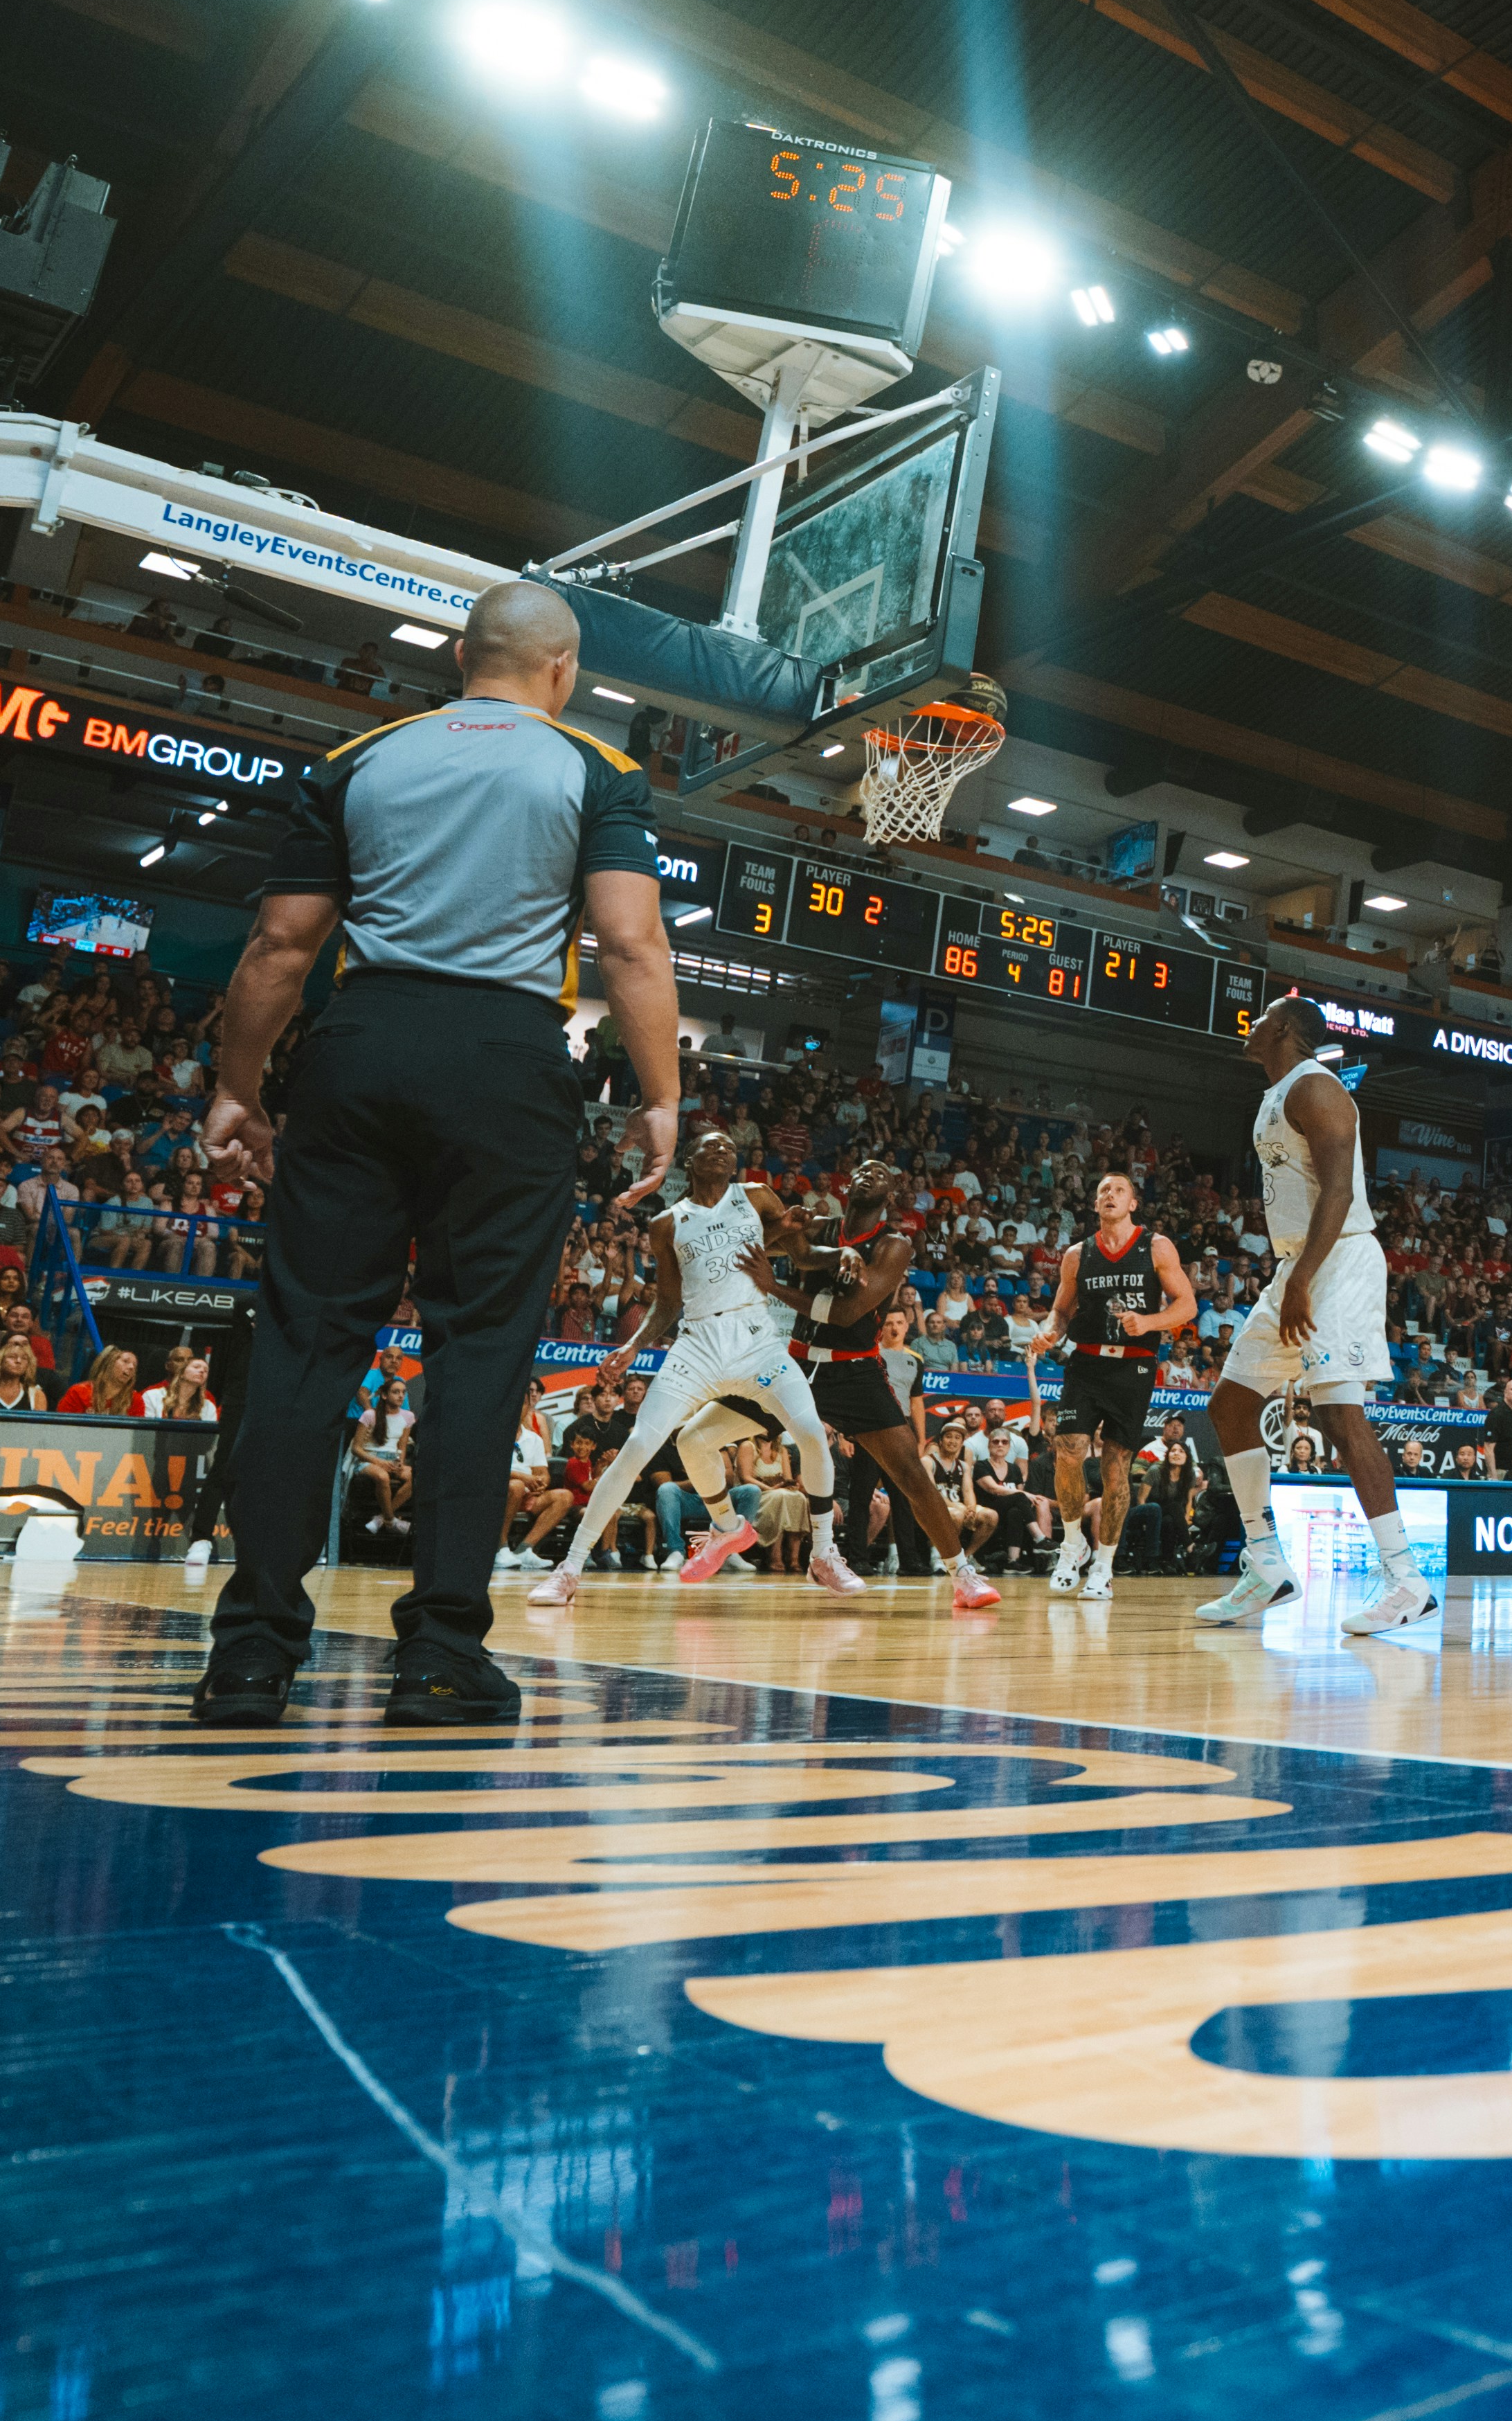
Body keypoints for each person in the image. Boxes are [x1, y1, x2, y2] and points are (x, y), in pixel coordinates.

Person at [186, 579, 684, 1729]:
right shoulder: (592, 770)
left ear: (463, 654)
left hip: (360, 1045)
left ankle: (252, 1653)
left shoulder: (361, 755)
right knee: (477, 1358)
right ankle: (442, 1656)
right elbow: (629, 938)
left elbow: (279, 941)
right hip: (507, 1058)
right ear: (564, 673)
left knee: (305, 1348)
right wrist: (660, 1096)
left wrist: (237, 1087)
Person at [1189, 996, 1428, 1636]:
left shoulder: (1316, 1087)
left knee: (1340, 1415)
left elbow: (1342, 1191)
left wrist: (1302, 1279)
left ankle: (1407, 1580)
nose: (1251, 1024)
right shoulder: (1276, 1093)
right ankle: (1266, 1564)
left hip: (1337, 1261)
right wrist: (1292, 1277)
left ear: (1287, 1030)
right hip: (1297, 1266)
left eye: (1262, 1017)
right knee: (1231, 1407)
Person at [536, 1128, 858, 1599]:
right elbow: (667, 1302)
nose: (723, 1150)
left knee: (810, 1431)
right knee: (640, 1444)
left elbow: (799, 1251)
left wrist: (837, 1249)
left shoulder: (755, 1196)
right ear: (690, 1160)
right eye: (711, 1145)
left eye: (730, 1147)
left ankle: (824, 1555)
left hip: (756, 1340)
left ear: (736, 1164)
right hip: (698, 1344)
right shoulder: (668, 1222)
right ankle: (569, 1569)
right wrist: (633, 1348)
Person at [768, 1163, 1000, 1609]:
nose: (869, 1173)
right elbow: (758, 1247)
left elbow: (847, 1314)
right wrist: (781, 1225)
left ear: (893, 1194)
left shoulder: (895, 1245)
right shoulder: (818, 1225)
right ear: (846, 1183)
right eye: (862, 1169)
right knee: (721, 1423)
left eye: (881, 1173)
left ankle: (962, 1575)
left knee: (911, 1473)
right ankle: (726, 1524)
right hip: (796, 1360)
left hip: (855, 1371)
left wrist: (771, 1285)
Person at [1029, 1169, 1195, 1605]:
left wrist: (1151, 1323)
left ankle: (1103, 1567)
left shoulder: (1156, 1246)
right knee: (1068, 1448)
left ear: (1133, 1203)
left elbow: (1187, 1304)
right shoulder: (1077, 1254)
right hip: (1086, 1362)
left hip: (1134, 1367)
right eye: (1104, 1190)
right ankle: (1071, 1545)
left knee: (1116, 1467)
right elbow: (1061, 1312)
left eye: (1119, 1190)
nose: (1110, 1195)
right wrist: (1051, 1332)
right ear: (1095, 1202)